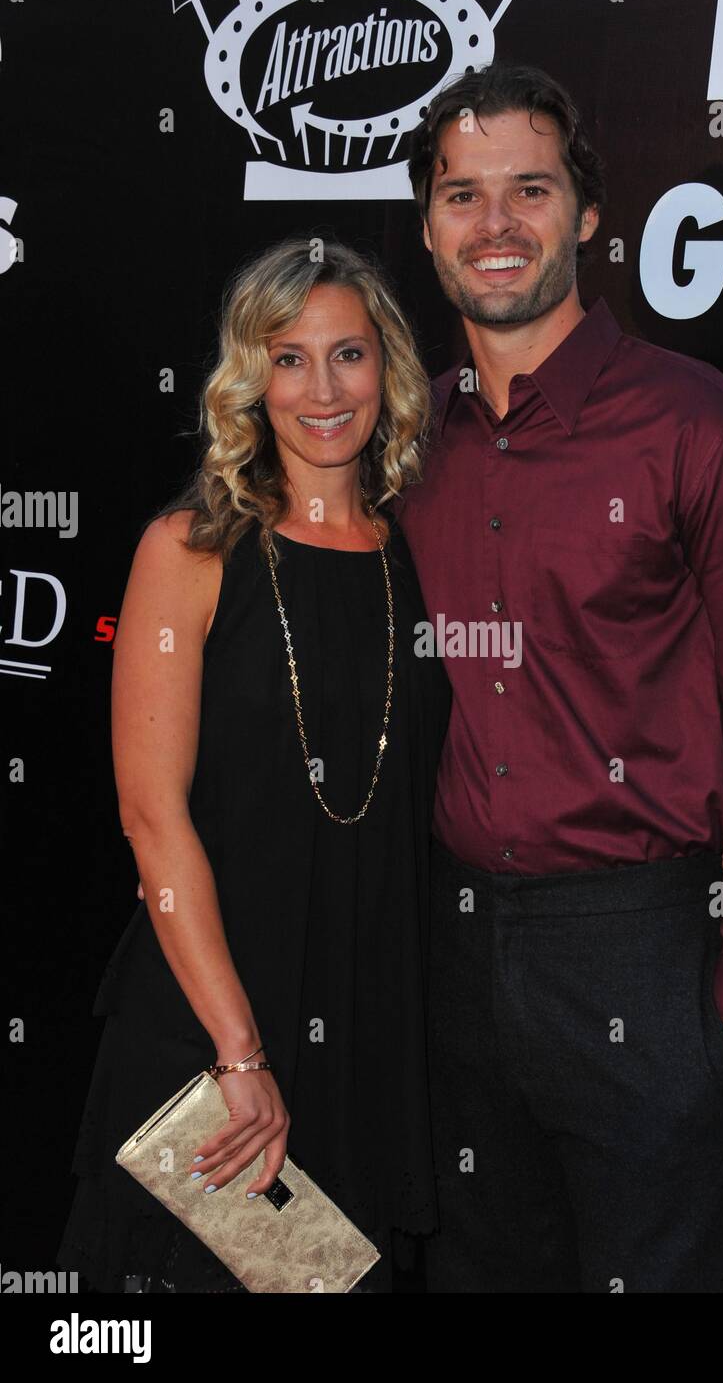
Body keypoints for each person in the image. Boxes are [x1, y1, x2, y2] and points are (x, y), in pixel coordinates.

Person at [395, 63, 723, 1292]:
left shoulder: (701, 429)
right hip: (450, 950)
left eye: (528, 189)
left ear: (589, 214)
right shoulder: (400, 441)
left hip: (645, 953)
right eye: (461, 194)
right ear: (427, 223)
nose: (495, 226)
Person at [56, 236, 451, 1293]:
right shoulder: (190, 549)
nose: (323, 389)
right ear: (249, 378)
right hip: (216, 1023)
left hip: (367, 1022)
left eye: (349, 355)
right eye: (288, 357)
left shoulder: (424, 552)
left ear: (391, 369)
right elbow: (150, 815)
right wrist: (240, 1052)